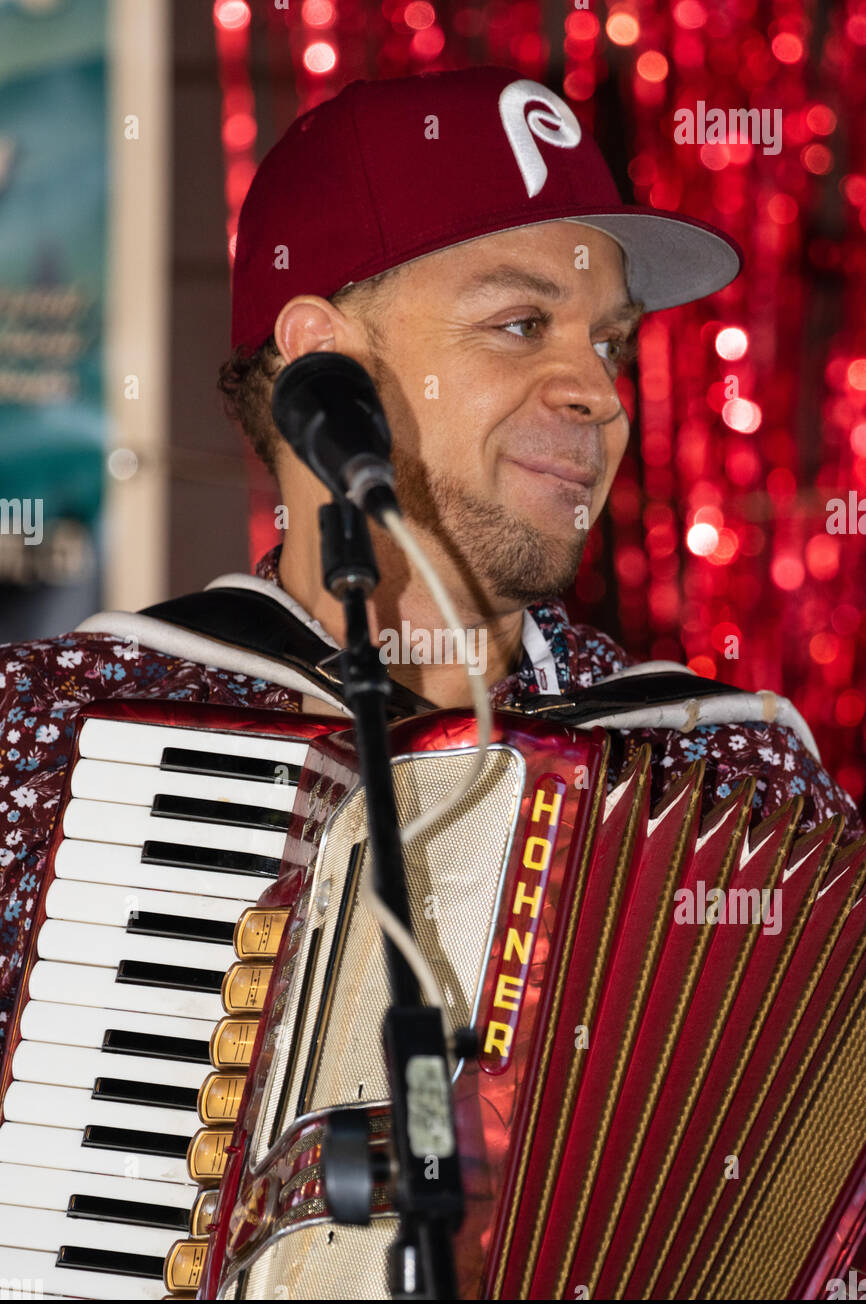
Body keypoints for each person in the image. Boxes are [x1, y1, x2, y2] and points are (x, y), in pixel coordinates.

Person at [0, 65, 860, 1054]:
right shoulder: (57, 732)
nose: (597, 392)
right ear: (325, 362)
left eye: (610, 344)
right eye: (520, 325)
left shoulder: (724, 768)